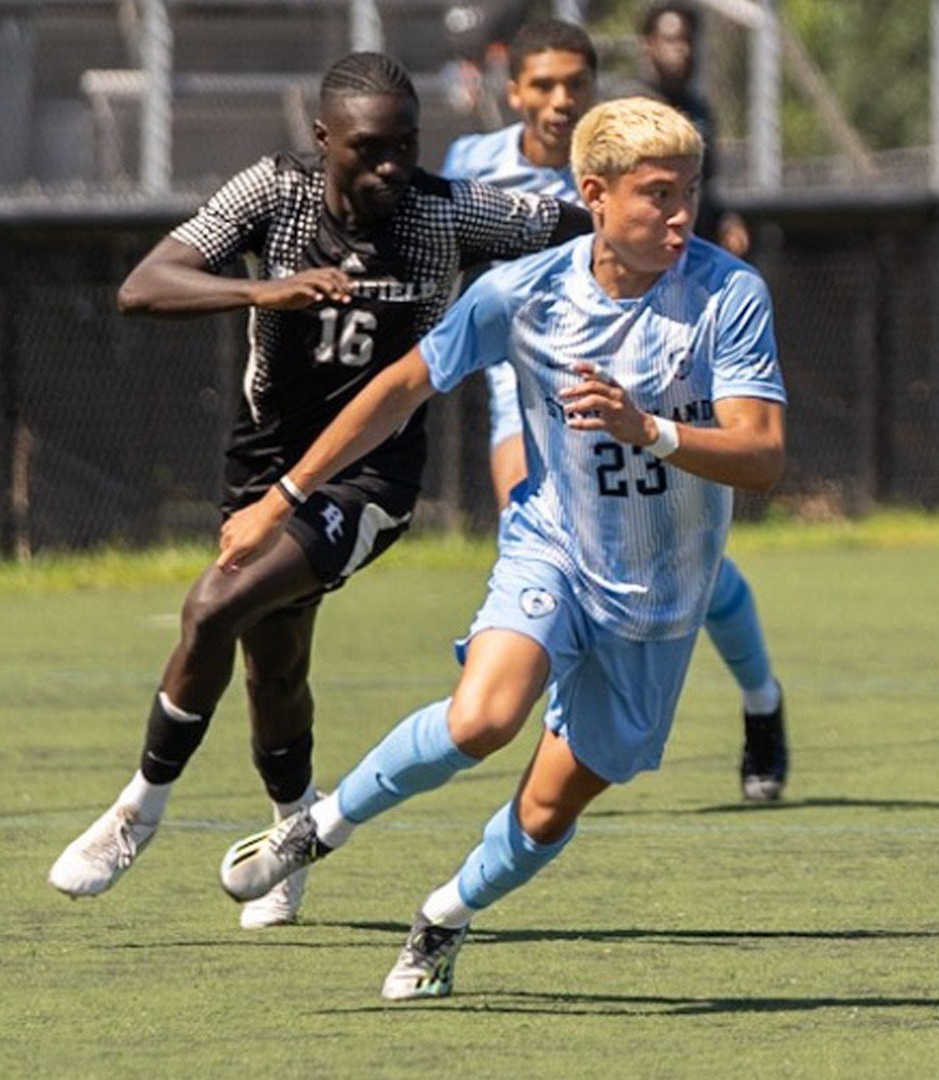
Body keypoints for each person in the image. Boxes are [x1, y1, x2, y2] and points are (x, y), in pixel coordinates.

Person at [214, 95, 787, 1001]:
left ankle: (443, 917)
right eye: (658, 194)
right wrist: (285, 495)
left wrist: (653, 433)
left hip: (661, 597)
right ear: (593, 194)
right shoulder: (523, 292)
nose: (682, 215)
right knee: (482, 718)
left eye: (691, 192)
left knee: (550, 805)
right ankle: (317, 826)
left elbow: (761, 459)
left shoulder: (728, 294)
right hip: (552, 548)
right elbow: (400, 389)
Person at [46, 51, 590, 930]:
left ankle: (136, 812)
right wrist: (268, 288)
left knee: (213, 604)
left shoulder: (446, 213)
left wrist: (661, 243)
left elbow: (578, 225)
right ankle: (290, 839)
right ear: (322, 138)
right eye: (368, 150)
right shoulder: (273, 193)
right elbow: (143, 286)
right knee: (274, 662)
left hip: (370, 479)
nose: (388, 169)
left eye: (405, 148)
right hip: (262, 465)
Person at [442, 17, 791, 801]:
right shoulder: (472, 163)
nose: (562, 99)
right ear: (514, 92)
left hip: (640, 377)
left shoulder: (626, 157)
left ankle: (761, 701)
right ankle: (535, 697)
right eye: (545, 85)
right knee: (535, 536)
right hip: (529, 380)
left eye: (577, 84)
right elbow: (447, 252)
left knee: (670, 549)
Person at [638, 1, 749, 258]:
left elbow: (707, 183)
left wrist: (724, 219)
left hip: (694, 246)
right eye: (671, 40)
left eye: (687, 40)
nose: (681, 50)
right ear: (649, 44)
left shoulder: (699, 109)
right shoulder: (632, 104)